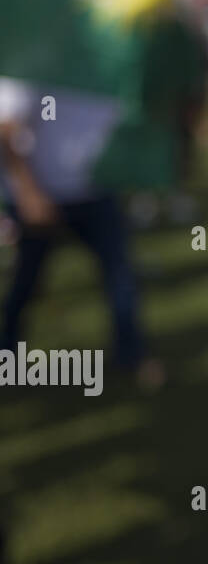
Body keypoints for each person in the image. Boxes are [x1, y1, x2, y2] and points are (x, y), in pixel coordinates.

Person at [0, 77, 163, 388]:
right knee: (27, 280)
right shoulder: (33, 67)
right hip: (44, 195)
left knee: (121, 275)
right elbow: (6, 130)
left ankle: (132, 355)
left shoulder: (102, 67)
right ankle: (7, 353)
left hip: (95, 194)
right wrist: (28, 192)